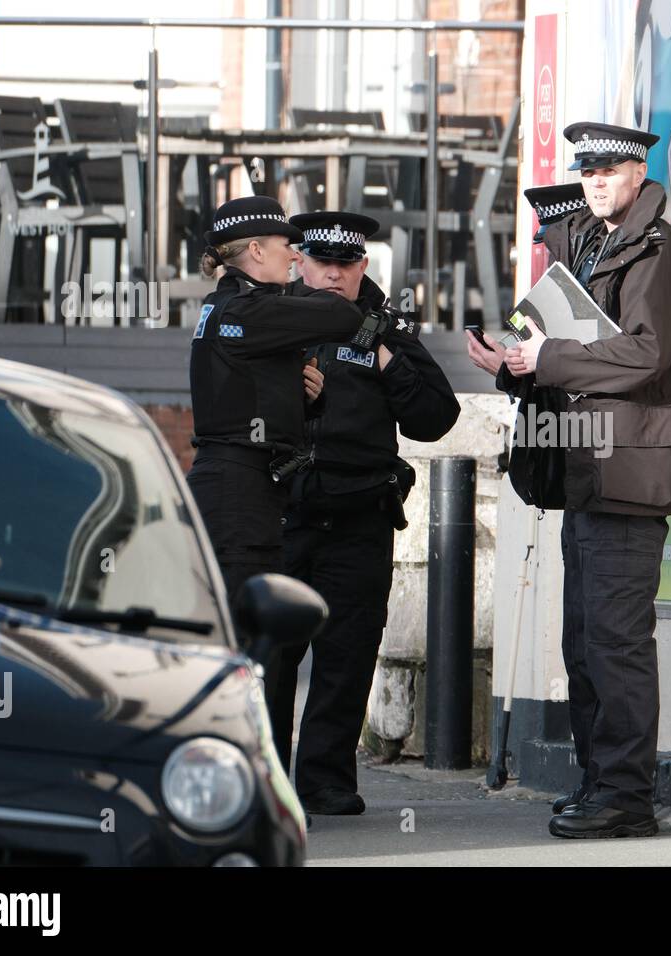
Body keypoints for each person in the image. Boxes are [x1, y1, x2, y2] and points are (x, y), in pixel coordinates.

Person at [466, 122, 671, 838]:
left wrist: (546, 360)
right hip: (592, 466)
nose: (596, 181)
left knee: (614, 639)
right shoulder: (595, 244)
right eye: (587, 171)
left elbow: (642, 354)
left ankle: (625, 798)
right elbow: (575, 351)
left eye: (609, 170)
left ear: (639, 173)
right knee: (584, 639)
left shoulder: (659, 252)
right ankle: (598, 782)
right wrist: (516, 365)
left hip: (633, 470)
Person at [272, 211, 460, 815]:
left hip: (359, 518)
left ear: (362, 268)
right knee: (271, 657)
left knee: (347, 655)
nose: (332, 276)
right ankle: (265, 778)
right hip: (285, 515)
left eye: (345, 265)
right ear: (299, 261)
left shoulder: (385, 328)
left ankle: (326, 780)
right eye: (322, 263)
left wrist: (386, 362)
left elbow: (436, 415)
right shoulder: (270, 319)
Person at [187, 195, 367, 771]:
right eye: (289, 248)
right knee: (247, 643)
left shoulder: (238, 310)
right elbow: (342, 317)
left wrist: (299, 397)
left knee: (248, 640)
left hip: (245, 487)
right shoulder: (250, 310)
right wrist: (324, 289)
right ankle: (240, 780)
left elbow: (247, 397)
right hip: (237, 494)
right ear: (256, 250)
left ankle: (246, 776)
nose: (297, 259)